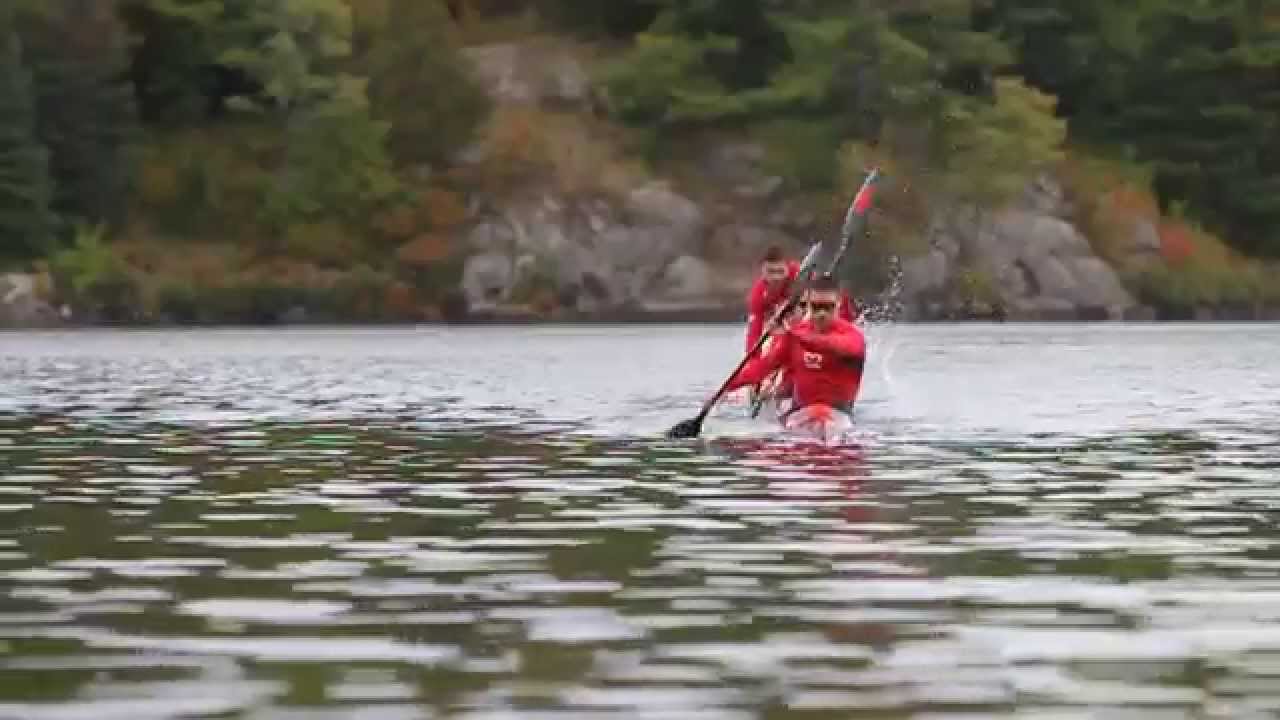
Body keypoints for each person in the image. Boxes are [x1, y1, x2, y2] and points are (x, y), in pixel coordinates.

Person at [727, 274, 867, 417]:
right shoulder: (796, 334)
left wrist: (790, 332)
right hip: (799, 414)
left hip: (838, 415)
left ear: (839, 304)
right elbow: (763, 368)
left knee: (819, 413)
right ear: (807, 305)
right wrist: (727, 387)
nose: (822, 313)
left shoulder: (853, 337)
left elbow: (831, 345)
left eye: (828, 307)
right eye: (816, 307)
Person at [745, 246, 857, 352]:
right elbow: (754, 333)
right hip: (789, 307)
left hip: (822, 302)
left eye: (780, 271)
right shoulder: (758, 295)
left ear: (787, 268)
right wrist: (751, 360)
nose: (776, 278)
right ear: (762, 272)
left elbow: (823, 294)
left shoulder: (799, 274)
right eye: (771, 272)